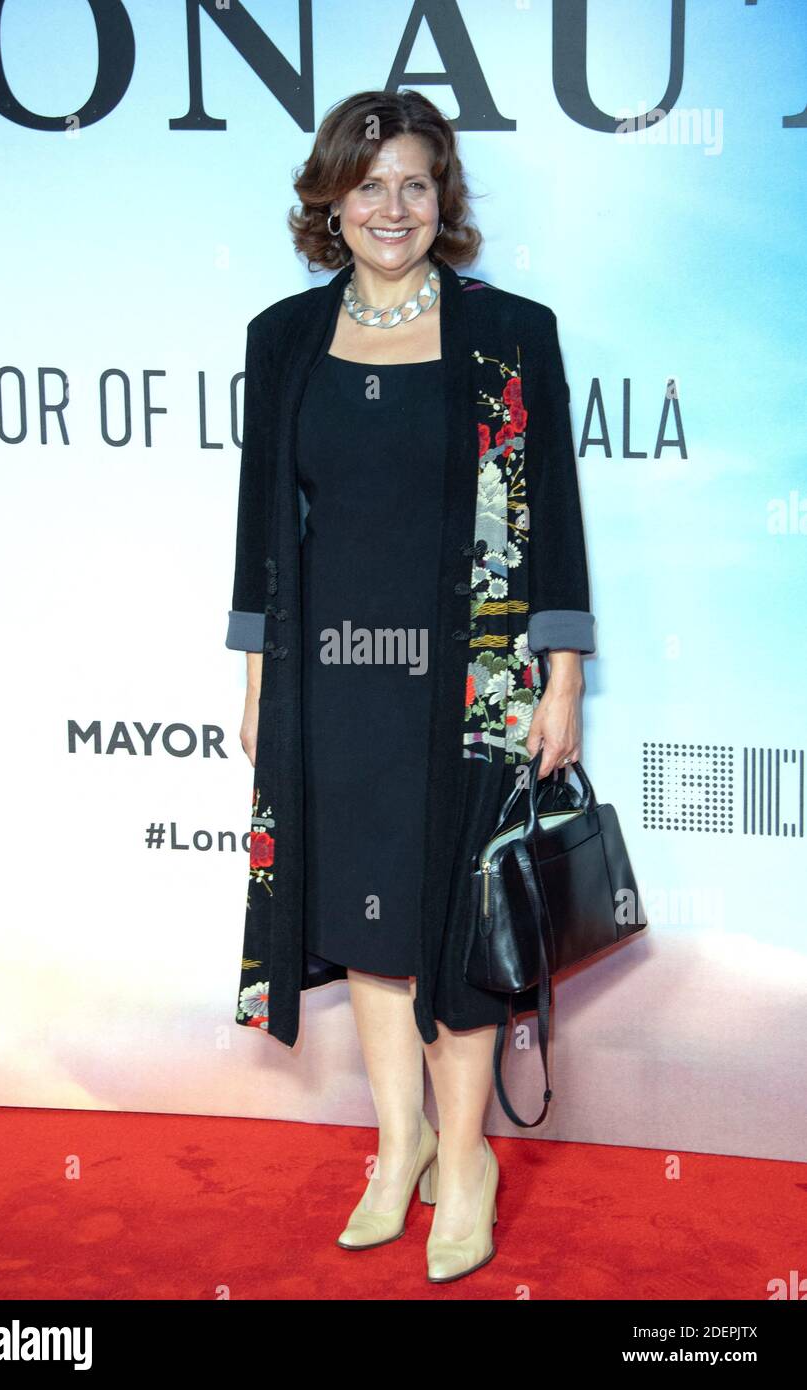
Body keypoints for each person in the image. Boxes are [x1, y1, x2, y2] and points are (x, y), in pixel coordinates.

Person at [226, 89, 595, 1283]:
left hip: (473, 686)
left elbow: (551, 521)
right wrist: (257, 684)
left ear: (443, 199)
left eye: (415, 184)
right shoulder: (283, 338)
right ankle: (400, 1148)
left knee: (456, 924)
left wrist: (560, 679)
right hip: (333, 683)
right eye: (368, 183)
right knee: (365, 924)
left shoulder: (509, 333)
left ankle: (467, 1159)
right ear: (331, 200)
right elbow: (261, 531)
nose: (392, 207)